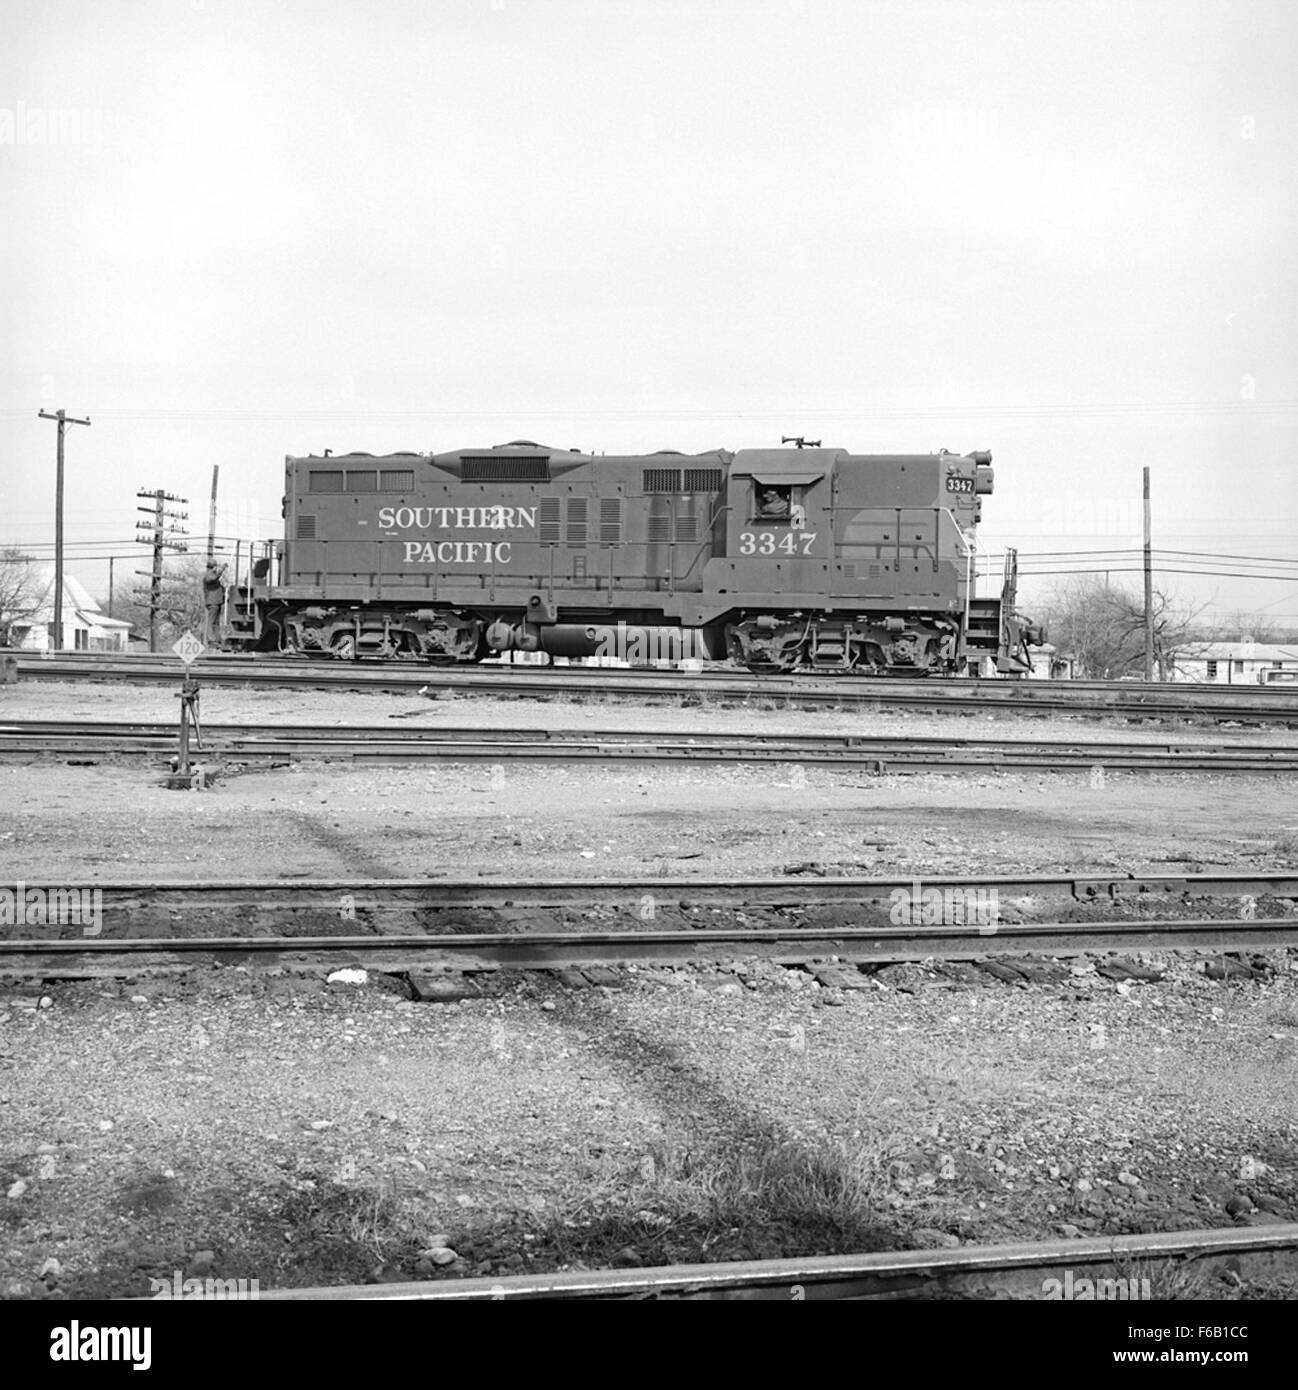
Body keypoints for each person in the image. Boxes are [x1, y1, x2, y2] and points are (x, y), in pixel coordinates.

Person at [203, 561, 227, 641]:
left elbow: (216, 585)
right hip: (213, 602)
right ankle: (211, 638)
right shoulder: (208, 575)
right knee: (211, 621)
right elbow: (213, 578)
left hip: (217, 601)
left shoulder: (212, 575)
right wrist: (222, 569)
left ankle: (217, 638)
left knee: (216, 622)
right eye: (216, 567)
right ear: (213, 567)